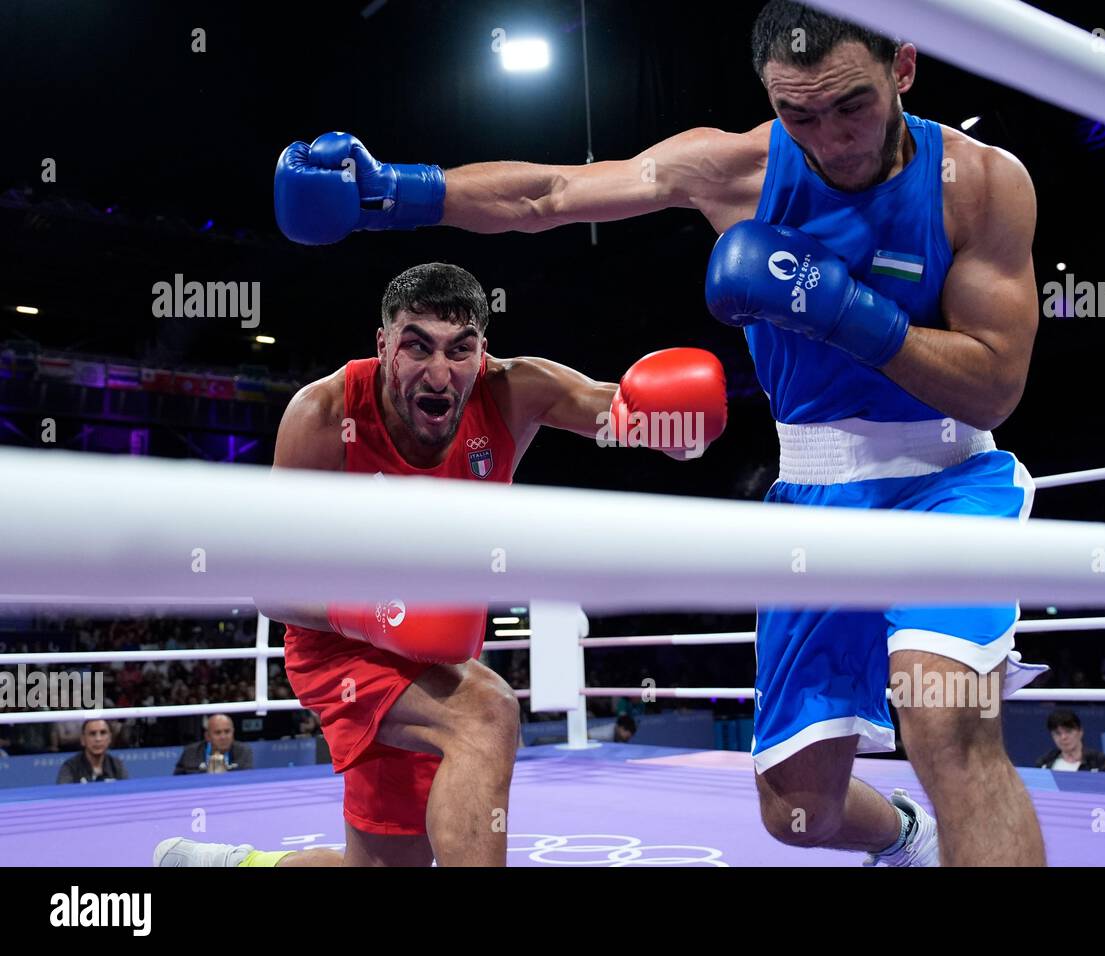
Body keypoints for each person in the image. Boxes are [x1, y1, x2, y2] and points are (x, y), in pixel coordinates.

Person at [272, 0, 1043, 866]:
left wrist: (848, 313)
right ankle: (905, 834)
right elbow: (551, 193)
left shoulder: (979, 182)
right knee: (799, 810)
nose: (829, 138)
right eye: (798, 112)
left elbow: (996, 387)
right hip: (816, 500)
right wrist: (395, 193)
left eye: (851, 105)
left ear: (903, 68)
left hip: (946, 474)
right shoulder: (739, 168)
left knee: (945, 721)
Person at [153, 261, 727, 868]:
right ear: (382, 346)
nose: (438, 372)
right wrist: (371, 615)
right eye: (416, 346)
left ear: (483, 353)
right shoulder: (322, 416)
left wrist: (668, 423)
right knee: (487, 712)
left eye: (460, 350)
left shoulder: (512, 391)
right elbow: (266, 584)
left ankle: (229, 865)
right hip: (340, 647)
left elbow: (614, 408)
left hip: (435, 649)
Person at [1033, 708, 1105, 772]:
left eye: (1068, 731)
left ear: (1080, 732)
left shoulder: (1098, 761)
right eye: (1057, 733)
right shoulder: (1044, 762)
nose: (1063, 737)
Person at [174, 714, 254, 774]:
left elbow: (247, 780)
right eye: (218, 733)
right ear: (207, 736)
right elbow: (177, 781)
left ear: (233, 732)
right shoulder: (191, 752)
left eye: (227, 731)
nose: (223, 737)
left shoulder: (243, 751)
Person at [56, 719, 127, 784]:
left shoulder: (116, 765)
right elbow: (63, 795)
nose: (98, 739)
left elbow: (127, 793)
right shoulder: (70, 767)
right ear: (83, 739)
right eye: (92, 734)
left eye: (103, 733)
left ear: (110, 738)